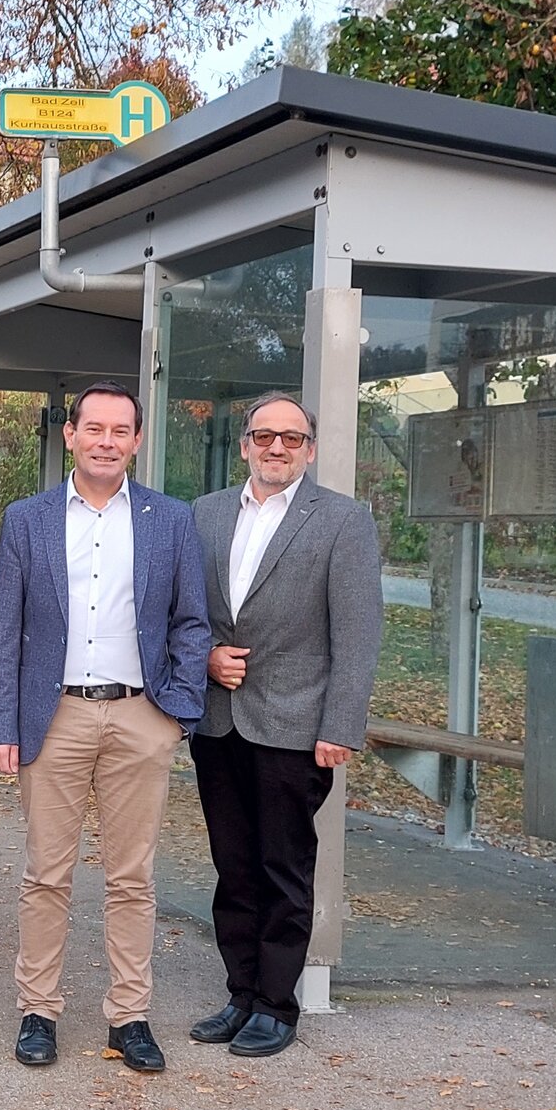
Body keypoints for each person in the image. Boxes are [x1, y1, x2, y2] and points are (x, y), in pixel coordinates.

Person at [0, 382, 211, 1073]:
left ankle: (129, 1017)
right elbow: (3, 630)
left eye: (121, 430)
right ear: (71, 436)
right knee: (46, 873)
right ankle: (38, 1011)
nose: (107, 441)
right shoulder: (29, 519)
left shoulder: (170, 520)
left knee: (132, 877)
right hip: (53, 715)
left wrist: (178, 711)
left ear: (137, 441)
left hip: (142, 715)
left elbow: (191, 623)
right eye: (96, 428)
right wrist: (0, 722)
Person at [187, 392, 382, 1058]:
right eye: (265, 436)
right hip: (219, 723)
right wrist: (204, 659)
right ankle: (240, 994)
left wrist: (342, 725)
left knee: (283, 867)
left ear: (310, 449)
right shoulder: (205, 515)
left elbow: (357, 635)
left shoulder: (343, 521)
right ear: (244, 445)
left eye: (292, 439)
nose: (277, 448)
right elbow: (185, 614)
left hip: (297, 725)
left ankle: (277, 1003)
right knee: (232, 867)